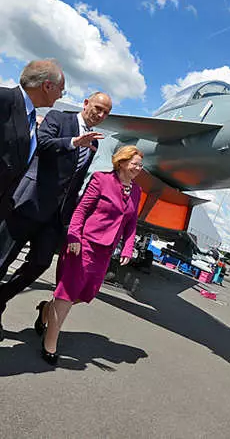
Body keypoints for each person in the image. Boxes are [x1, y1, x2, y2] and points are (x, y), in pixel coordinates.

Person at [0, 92, 112, 341]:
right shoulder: (59, 118)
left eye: (106, 112)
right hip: (29, 201)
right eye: (97, 108)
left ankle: (0, 299)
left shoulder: (95, 143)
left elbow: (75, 180)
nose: (100, 115)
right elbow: (42, 143)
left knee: (40, 263)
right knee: (3, 259)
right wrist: (73, 142)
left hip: (55, 216)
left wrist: (69, 220)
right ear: (85, 104)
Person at [39, 145, 143, 365]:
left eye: (141, 165)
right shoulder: (101, 180)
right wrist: (74, 236)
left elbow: (131, 224)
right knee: (67, 293)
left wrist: (127, 247)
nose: (138, 168)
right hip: (84, 245)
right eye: (135, 164)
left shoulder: (136, 191)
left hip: (105, 252)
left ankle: (47, 309)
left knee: (87, 293)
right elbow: (81, 210)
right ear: (122, 162)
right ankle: (50, 343)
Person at [0, 59, 65, 222]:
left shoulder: (31, 118)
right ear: (47, 86)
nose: (61, 95)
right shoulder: (3, 100)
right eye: (61, 89)